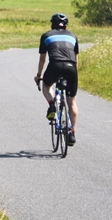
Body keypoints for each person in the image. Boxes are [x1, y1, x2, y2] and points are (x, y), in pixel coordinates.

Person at [34, 13, 80, 146]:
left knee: (47, 85)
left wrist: (38, 75)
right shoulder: (73, 36)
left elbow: (43, 58)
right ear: (66, 25)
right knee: (72, 101)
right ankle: (72, 132)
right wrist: (74, 74)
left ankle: (52, 104)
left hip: (55, 65)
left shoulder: (46, 35)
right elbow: (76, 59)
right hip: (71, 67)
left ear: (52, 24)